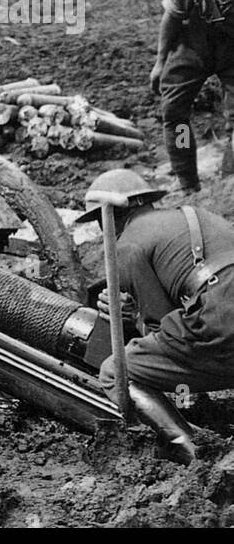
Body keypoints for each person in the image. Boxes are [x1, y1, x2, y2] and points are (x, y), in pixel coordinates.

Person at [75, 169, 234, 462]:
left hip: (222, 323)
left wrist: (131, 315)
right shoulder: (192, 214)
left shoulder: (128, 245)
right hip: (222, 308)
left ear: (109, 217)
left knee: (114, 372)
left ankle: (194, 457)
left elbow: (160, 327)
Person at [150, 0, 234, 194]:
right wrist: (160, 61)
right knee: (175, 112)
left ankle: (229, 183)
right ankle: (188, 184)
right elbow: (172, 17)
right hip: (194, 43)